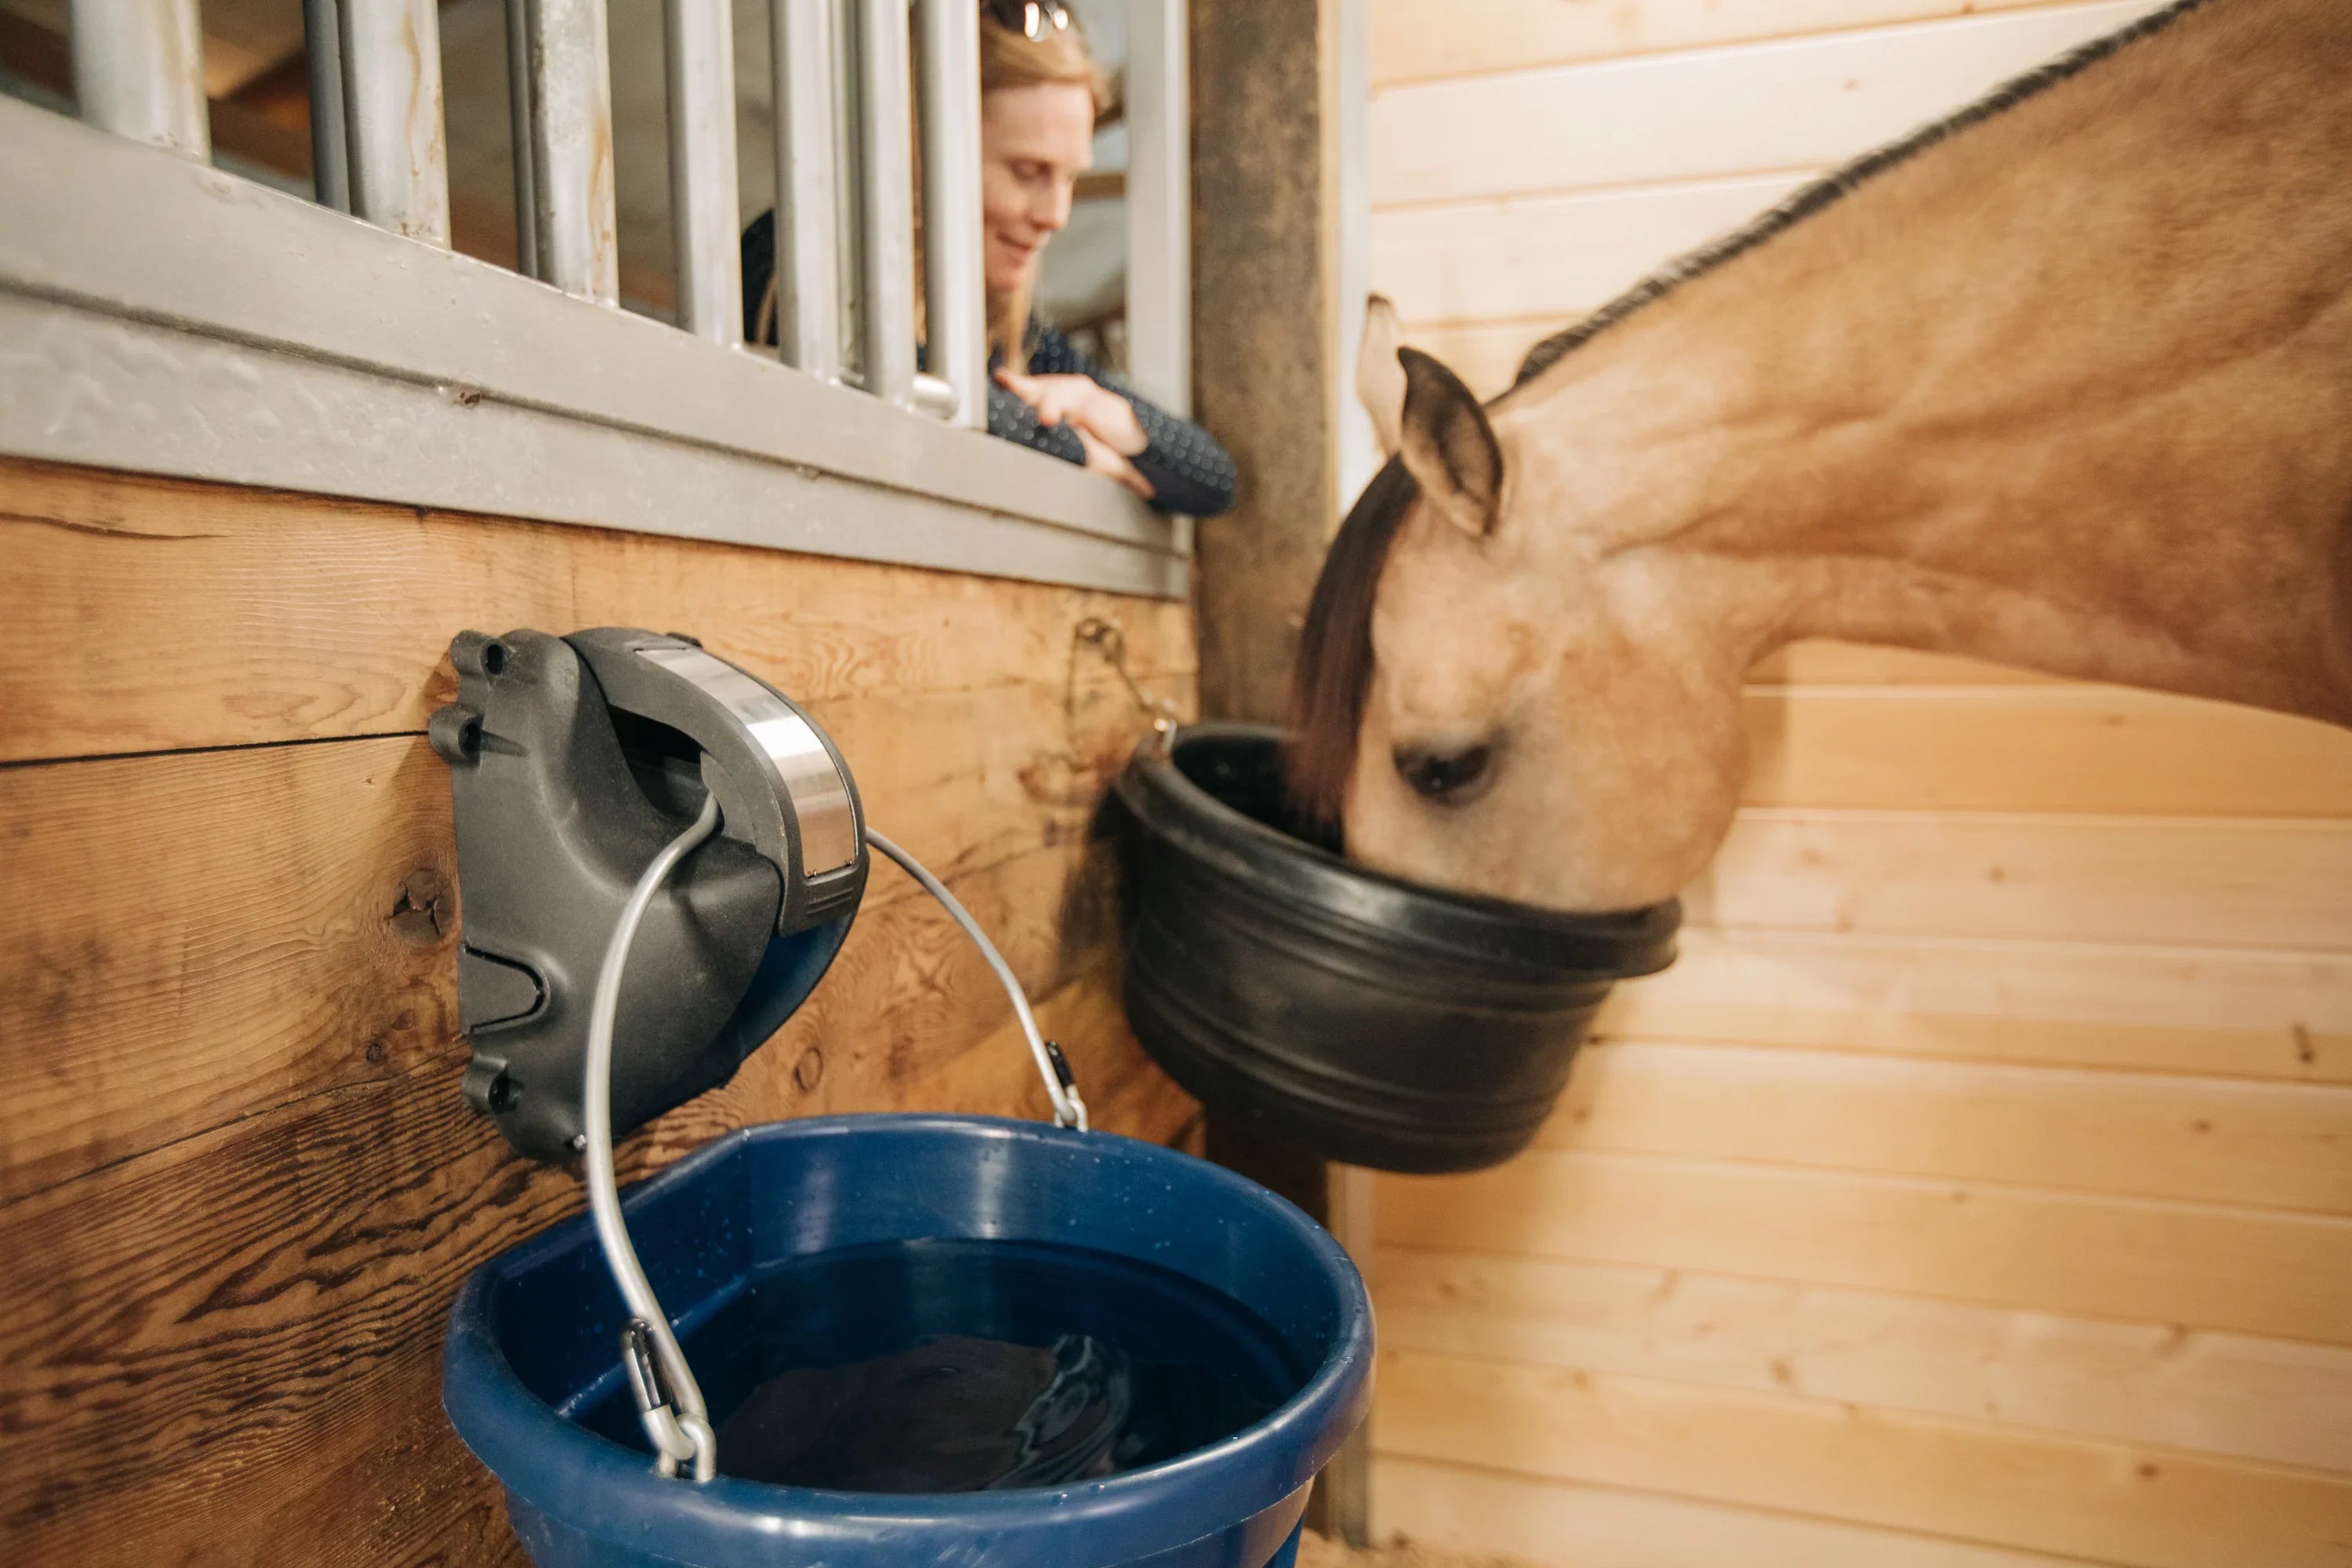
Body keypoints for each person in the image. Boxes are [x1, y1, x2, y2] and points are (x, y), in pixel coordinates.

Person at [742, 0, 1236, 517]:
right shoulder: (796, 250)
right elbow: (879, 373)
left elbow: (1214, 481)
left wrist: (1097, 406)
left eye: (1070, 178)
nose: (1057, 215)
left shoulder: (1003, 331)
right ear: (925, 149)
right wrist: (1075, 447)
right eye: (1028, 171)